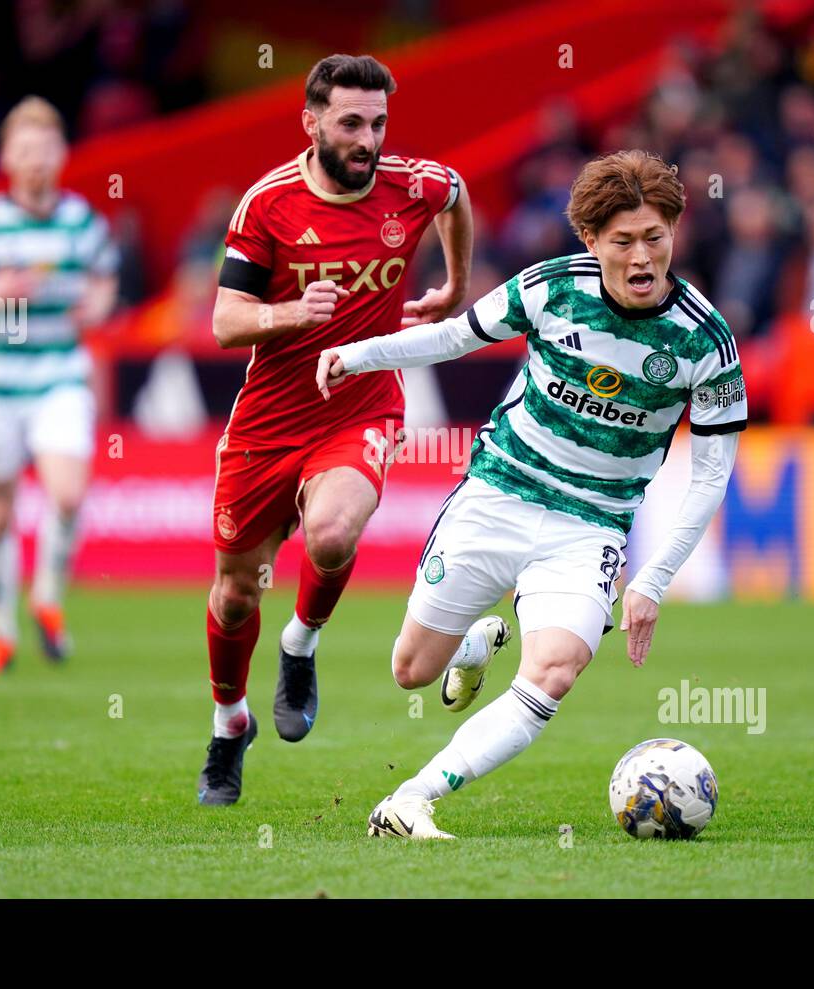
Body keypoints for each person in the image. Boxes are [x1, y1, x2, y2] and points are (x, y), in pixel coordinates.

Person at [316, 150, 747, 838]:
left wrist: (655, 579)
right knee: (410, 670)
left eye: (655, 238)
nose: (642, 257)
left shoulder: (706, 340)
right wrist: (357, 354)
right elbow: (455, 336)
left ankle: (412, 798)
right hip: (498, 494)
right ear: (591, 241)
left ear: (675, 233)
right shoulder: (549, 288)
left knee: (553, 669)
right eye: (623, 241)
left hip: (591, 527)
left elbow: (713, 471)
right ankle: (472, 646)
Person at [199, 54, 504, 806]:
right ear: (311, 122)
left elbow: (456, 194)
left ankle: (300, 645)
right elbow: (224, 320)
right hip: (269, 420)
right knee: (236, 592)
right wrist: (286, 314)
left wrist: (455, 284)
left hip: (361, 407)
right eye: (350, 123)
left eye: (377, 123)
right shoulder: (267, 205)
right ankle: (229, 722)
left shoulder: (413, 184)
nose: (367, 139)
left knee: (333, 533)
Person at [0, 96, 118, 677]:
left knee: (66, 493)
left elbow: (107, 280)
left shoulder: (82, 222)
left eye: (46, 150)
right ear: (7, 156)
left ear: (62, 155)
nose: (36, 161)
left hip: (59, 370)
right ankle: (0, 632)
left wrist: (97, 305)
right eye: (25, 150)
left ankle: (48, 598)